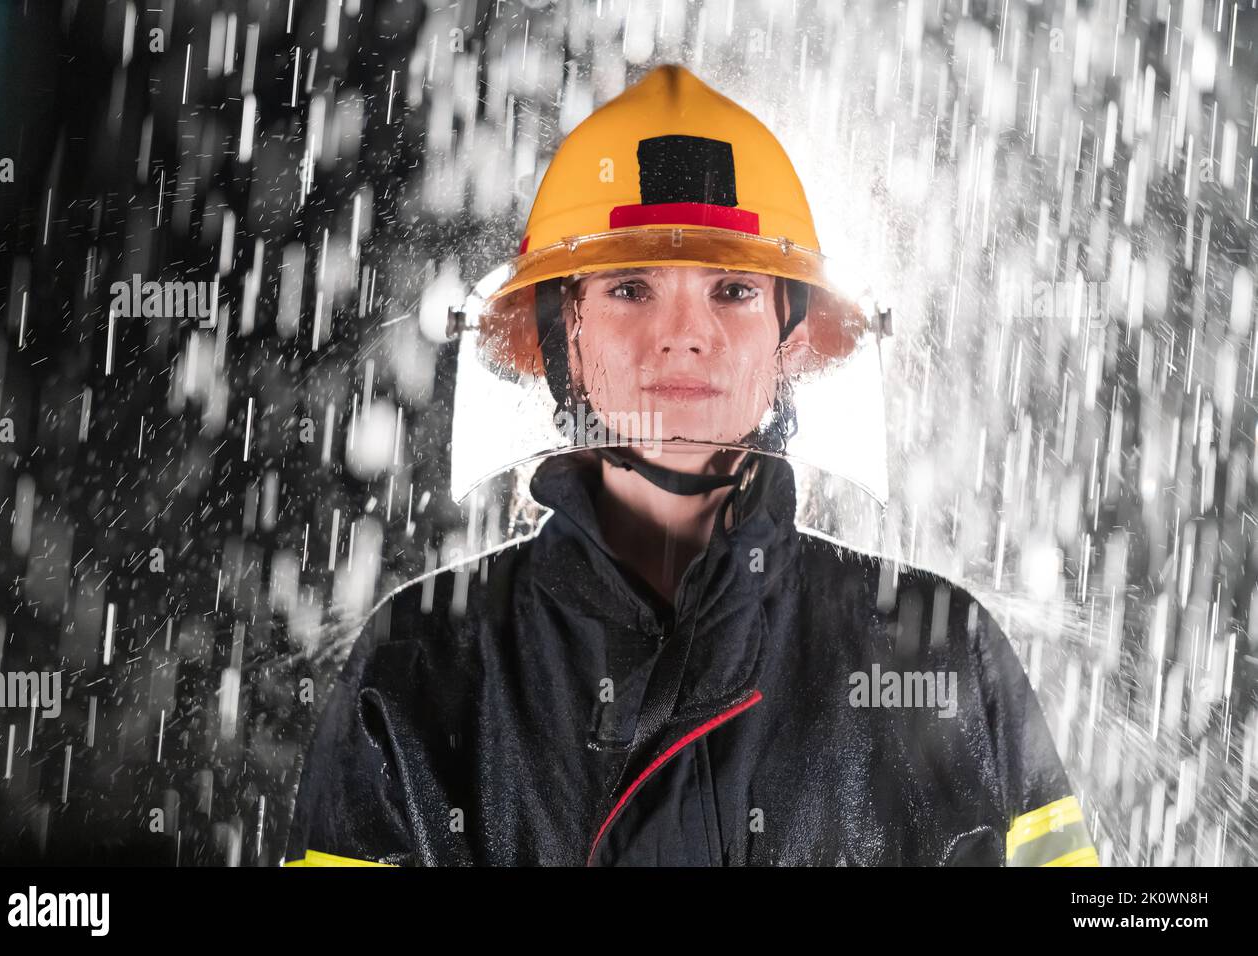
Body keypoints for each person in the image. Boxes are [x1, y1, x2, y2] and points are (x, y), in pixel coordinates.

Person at [284, 63, 1098, 867]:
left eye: (733, 291)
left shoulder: (937, 653)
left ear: (790, 332)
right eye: (631, 288)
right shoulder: (422, 662)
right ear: (565, 330)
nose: (683, 334)